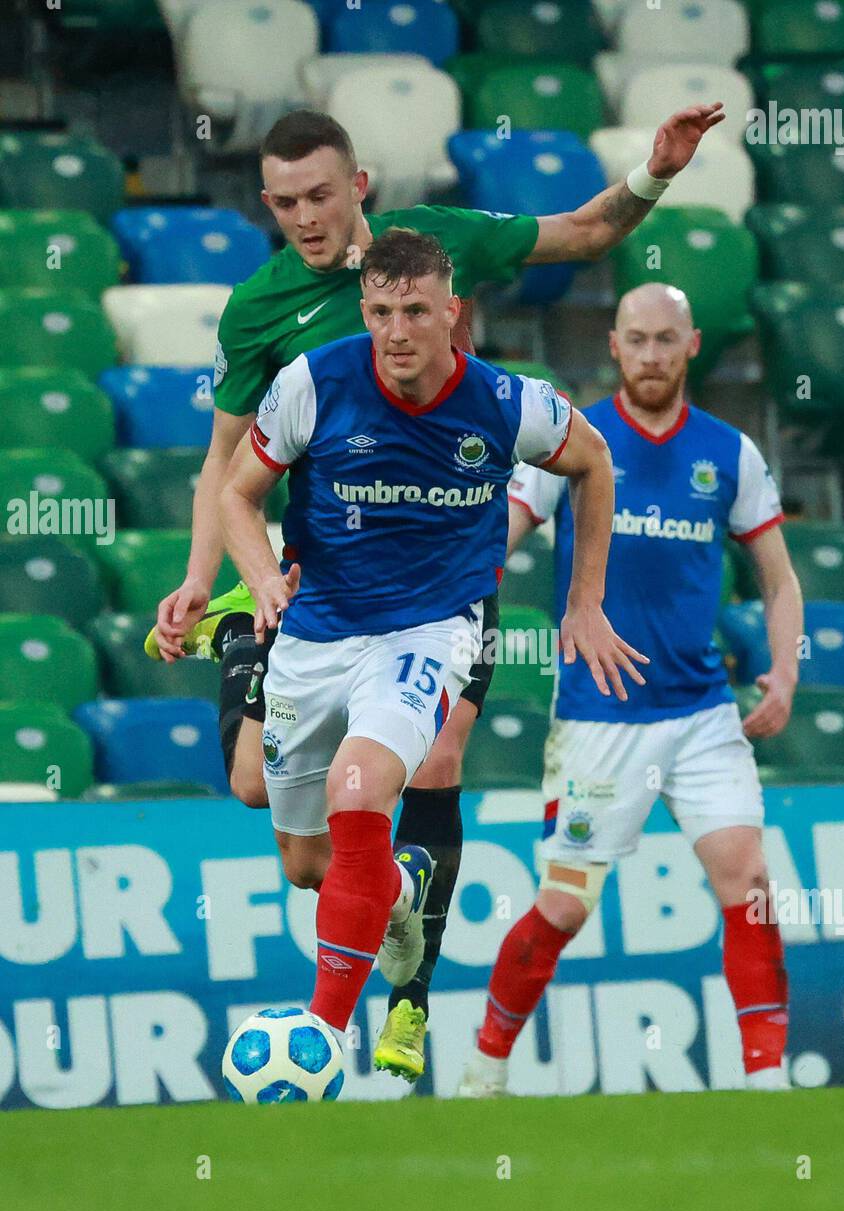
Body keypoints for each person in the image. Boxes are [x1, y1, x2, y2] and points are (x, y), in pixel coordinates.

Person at [146, 103, 724, 1064]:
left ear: (359, 185)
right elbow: (224, 465)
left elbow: (584, 230)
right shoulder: (260, 312)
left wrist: (655, 173)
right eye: (284, 202)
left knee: (422, 763)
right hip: (320, 581)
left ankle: (403, 1003)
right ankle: (397, 899)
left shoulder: (442, 248)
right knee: (275, 812)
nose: (304, 217)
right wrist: (204, 579)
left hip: (446, 582)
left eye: (320, 195)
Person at [218, 228, 647, 1077]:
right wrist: (262, 577)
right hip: (315, 634)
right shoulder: (313, 383)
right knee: (309, 866)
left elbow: (594, 463)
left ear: (452, 312)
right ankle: (401, 881)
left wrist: (585, 599)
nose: (397, 331)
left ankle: (322, 1038)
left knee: (359, 788)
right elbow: (237, 493)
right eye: (381, 312)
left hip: (426, 633)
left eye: (417, 311)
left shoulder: (504, 402)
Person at [458, 282, 803, 1098]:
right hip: (596, 717)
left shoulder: (730, 455)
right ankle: (485, 1064)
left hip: (703, 712)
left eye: (665, 340)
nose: (651, 355)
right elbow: (496, 539)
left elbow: (781, 580)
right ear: (613, 347)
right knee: (566, 908)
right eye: (636, 340)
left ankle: (767, 1081)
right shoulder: (575, 442)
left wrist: (786, 671)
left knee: (747, 885)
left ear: (691, 347)